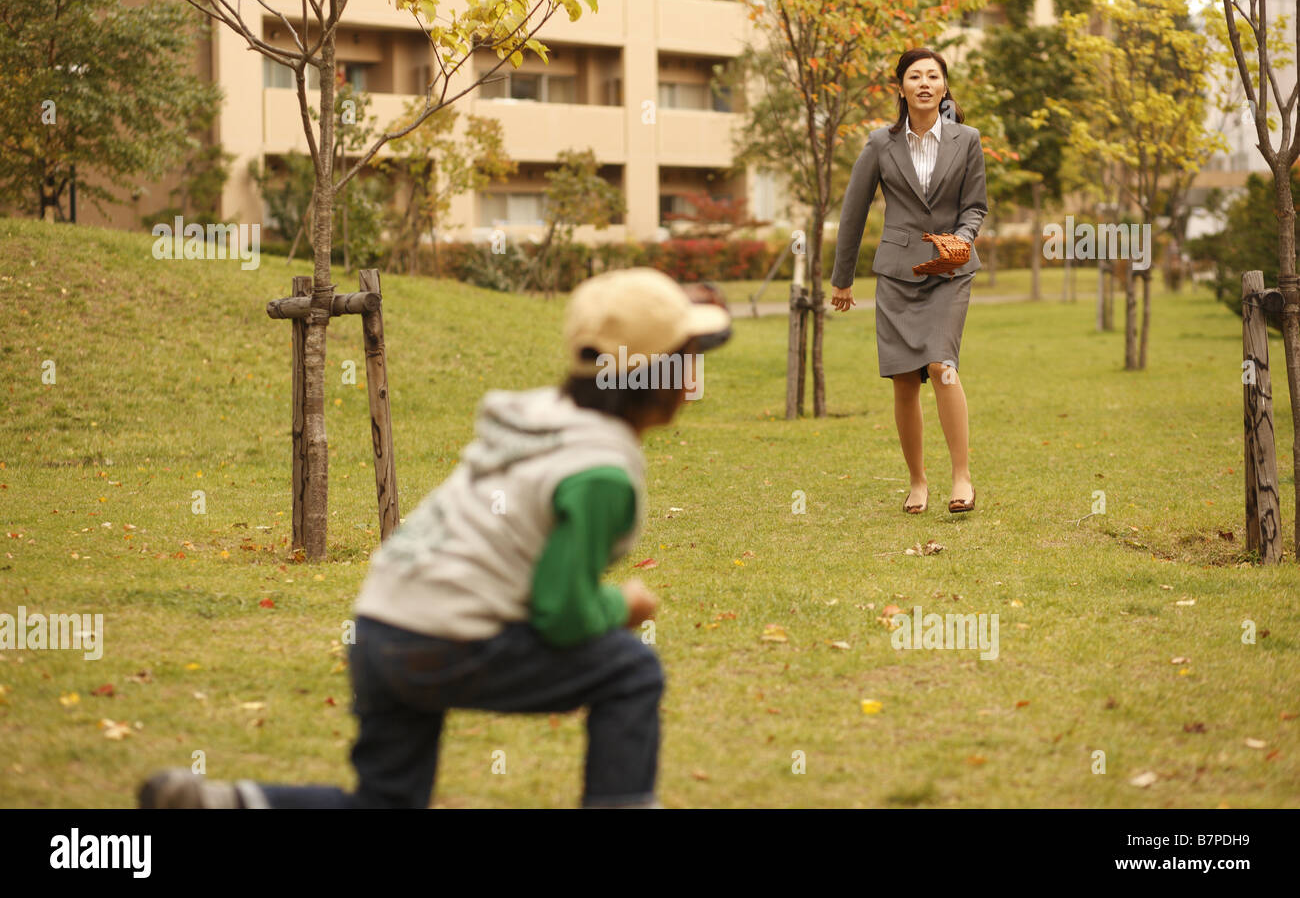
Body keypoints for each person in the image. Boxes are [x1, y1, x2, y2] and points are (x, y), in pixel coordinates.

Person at [138, 268, 731, 809]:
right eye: (690, 356)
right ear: (659, 376)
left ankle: (218, 804)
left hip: (381, 623)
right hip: (444, 640)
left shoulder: (541, 419)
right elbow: (562, 613)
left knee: (386, 804)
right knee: (631, 670)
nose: (696, 373)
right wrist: (622, 605)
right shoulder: (598, 468)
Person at [829, 47, 988, 515]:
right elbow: (853, 213)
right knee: (903, 380)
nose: (923, 83)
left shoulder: (968, 139)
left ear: (943, 87)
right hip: (897, 274)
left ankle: (962, 477)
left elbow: (975, 204)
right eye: (914, 76)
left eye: (932, 76)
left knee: (942, 366)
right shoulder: (880, 144)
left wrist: (961, 239)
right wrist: (842, 279)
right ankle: (918, 482)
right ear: (900, 88)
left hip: (951, 270)